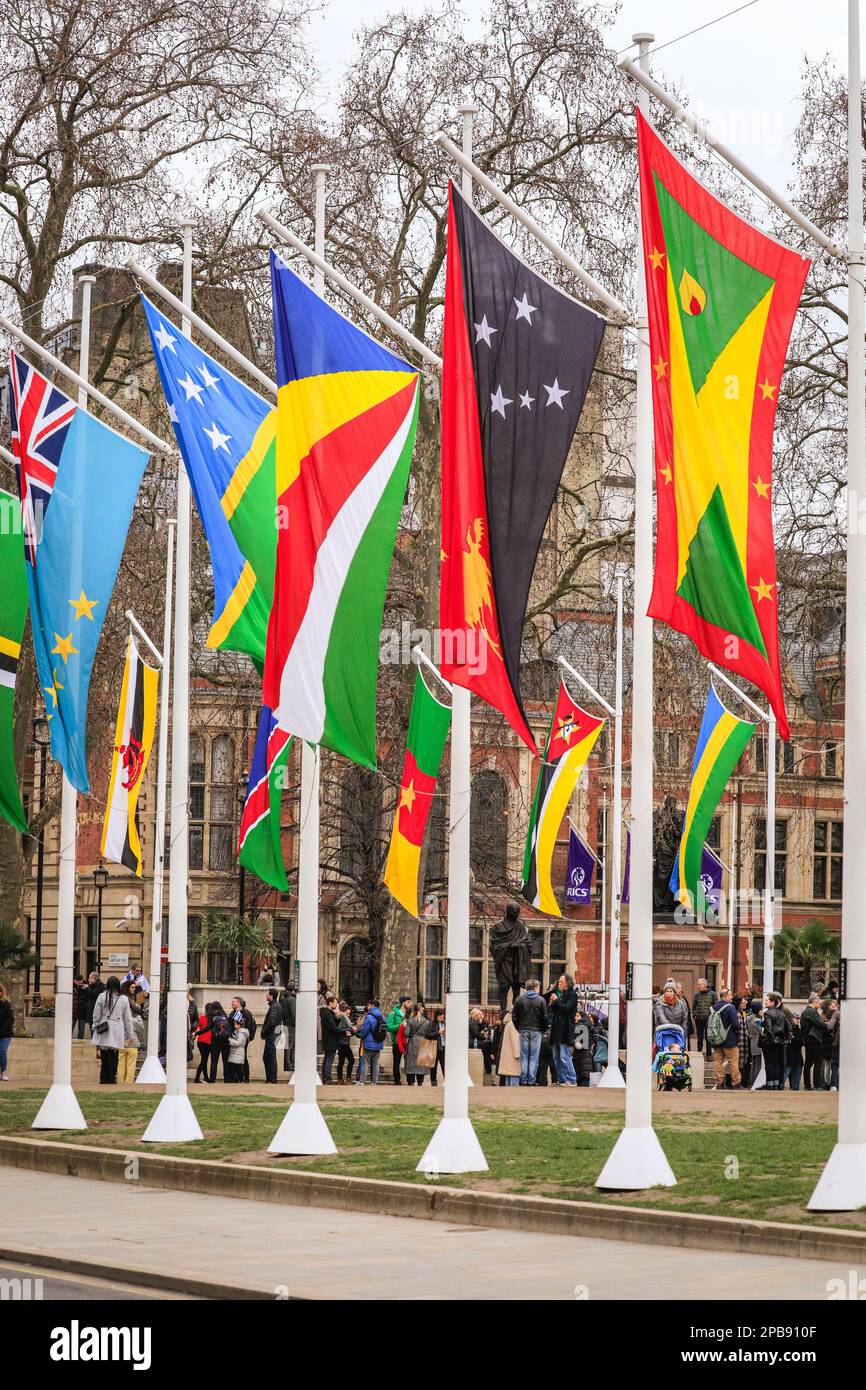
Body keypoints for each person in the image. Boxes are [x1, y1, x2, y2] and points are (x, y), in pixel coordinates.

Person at [90, 976, 136, 1085]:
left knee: (104, 1055)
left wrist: (95, 1025)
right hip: (117, 1028)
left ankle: (104, 1078)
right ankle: (111, 1078)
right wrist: (130, 1034)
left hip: (104, 1026)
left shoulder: (102, 996)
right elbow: (128, 1019)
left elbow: (96, 1014)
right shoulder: (123, 999)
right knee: (114, 1055)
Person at [490, 903, 532, 1015]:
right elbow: (494, 947)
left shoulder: (521, 927)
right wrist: (509, 945)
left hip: (517, 962)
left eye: (518, 912)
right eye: (514, 912)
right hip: (504, 961)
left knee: (516, 989)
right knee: (503, 987)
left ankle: (516, 1013)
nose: (517, 915)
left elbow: (527, 944)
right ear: (508, 912)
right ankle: (502, 1012)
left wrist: (520, 946)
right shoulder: (499, 926)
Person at [512, 978, 548, 1086]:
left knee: (524, 1056)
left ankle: (523, 1080)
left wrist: (519, 1028)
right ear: (536, 987)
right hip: (536, 1031)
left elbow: (514, 1016)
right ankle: (531, 1080)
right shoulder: (541, 1000)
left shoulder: (519, 999)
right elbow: (545, 1017)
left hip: (523, 1030)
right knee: (534, 1057)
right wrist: (543, 1029)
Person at [708, 988, 742, 1089]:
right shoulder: (730, 1008)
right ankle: (736, 1082)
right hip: (729, 1040)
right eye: (730, 995)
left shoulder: (713, 1008)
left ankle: (719, 1082)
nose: (731, 997)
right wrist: (738, 1031)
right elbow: (736, 1024)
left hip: (716, 1039)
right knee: (733, 1061)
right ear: (725, 996)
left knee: (718, 1061)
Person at [548, 973, 579, 1086]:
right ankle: (562, 1079)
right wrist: (552, 1003)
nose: (559, 983)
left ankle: (571, 1079)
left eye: (561, 981)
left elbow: (566, 1008)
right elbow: (556, 1011)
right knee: (556, 1056)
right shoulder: (562, 994)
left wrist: (556, 1001)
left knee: (564, 1055)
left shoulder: (572, 995)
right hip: (557, 1028)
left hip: (565, 1029)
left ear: (567, 983)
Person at [760, 992, 791, 1090]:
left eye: (767, 1000)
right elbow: (788, 1026)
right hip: (780, 1041)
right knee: (777, 1063)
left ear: (773, 1002)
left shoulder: (767, 1013)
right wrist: (787, 1038)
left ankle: (770, 1084)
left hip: (769, 1042)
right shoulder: (782, 1013)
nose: (765, 1002)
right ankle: (776, 1084)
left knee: (769, 1063)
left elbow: (768, 1029)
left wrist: (772, 1038)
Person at [404, 1003, 439, 1086]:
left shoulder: (411, 1020)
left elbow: (406, 1033)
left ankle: (411, 1083)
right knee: (421, 1064)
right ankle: (420, 1083)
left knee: (411, 1064)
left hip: (413, 1043)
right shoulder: (427, 1022)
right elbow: (428, 1034)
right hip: (424, 1044)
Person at [800, 992, 829, 1090]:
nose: (819, 1004)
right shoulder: (811, 1012)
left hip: (808, 1040)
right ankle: (817, 1085)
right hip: (814, 1040)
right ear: (814, 1002)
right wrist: (827, 1024)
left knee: (808, 1063)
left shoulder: (805, 1012)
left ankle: (807, 1085)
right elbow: (820, 1024)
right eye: (818, 1002)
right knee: (818, 1063)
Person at [356, 998, 385, 1084]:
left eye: (368, 1005)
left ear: (372, 1005)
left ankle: (362, 1081)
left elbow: (364, 1032)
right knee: (375, 1064)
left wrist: (359, 1035)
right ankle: (374, 1082)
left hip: (368, 1044)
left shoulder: (369, 1017)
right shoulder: (382, 1017)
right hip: (379, 1044)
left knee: (365, 1063)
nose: (367, 1007)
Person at [386, 995, 412, 1084]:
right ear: (403, 1003)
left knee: (408, 1062)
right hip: (396, 1041)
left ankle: (410, 1081)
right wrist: (400, 1026)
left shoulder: (410, 1014)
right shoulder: (393, 1013)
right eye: (408, 1002)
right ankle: (397, 1080)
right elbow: (389, 1027)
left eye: (410, 1002)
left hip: (408, 1042)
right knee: (396, 1062)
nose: (410, 1004)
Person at [230, 996, 256, 1082]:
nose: (232, 1003)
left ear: (238, 1003)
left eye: (233, 1001)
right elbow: (230, 1025)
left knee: (243, 1058)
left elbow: (251, 1026)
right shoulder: (232, 1013)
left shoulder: (246, 1013)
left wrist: (248, 1037)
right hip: (234, 1038)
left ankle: (245, 1077)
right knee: (235, 1058)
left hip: (242, 1039)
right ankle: (237, 1077)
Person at [261, 987, 282, 1084]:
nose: (266, 996)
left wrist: (264, 1031)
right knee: (267, 1057)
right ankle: (270, 1078)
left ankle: (272, 1079)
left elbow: (272, 1022)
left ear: (271, 996)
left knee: (270, 1057)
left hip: (271, 1035)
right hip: (272, 1035)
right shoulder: (275, 1006)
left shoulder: (274, 1007)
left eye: (267, 994)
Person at [118, 1002, 144, 1083]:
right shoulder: (135, 1019)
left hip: (121, 1043)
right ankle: (129, 1083)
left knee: (120, 1065)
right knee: (131, 1066)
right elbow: (141, 1029)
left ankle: (120, 1082)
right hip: (133, 1044)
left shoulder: (119, 1018)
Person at [495, 1008, 521, 1086]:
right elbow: (515, 1040)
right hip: (513, 1057)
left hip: (508, 1056)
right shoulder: (513, 1024)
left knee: (508, 1079)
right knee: (514, 1077)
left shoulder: (508, 1023)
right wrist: (518, 1053)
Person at [320, 995, 343, 1084]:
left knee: (327, 1059)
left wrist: (337, 1017)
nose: (337, 1005)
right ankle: (327, 1078)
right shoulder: (327, 1013)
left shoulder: (328, 1013)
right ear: (330, 1003)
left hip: (328, 1039)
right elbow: (333, 1027)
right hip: (330, 1039)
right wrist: (343, 1032)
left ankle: (325, 1078)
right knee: (329, 1059)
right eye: (336, 1003)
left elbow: (333, 1024)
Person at [691, 978, 716, 1057]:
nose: (698, 986)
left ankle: (709, 1055)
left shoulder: (712, 994)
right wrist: (694, 1014)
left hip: (709, 1019)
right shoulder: (696, 994)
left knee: (708, 1038)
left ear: (704, 985)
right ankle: (699, 1053)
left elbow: (716, 1006)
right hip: (698, 1019)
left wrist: (712, 1016)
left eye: (699, 984)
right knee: (700, 1038)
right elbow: (694, 1005)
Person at [208, 1000, 232, 1082]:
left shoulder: (212, 1016)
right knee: (225, 1061)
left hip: (216, 1040)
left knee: (214, 1061)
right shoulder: (224, 1015)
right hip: (225, 1041)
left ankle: (212, 1079)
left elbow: (208, 1027)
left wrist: (198, 1033)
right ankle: (227, 1079)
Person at [336, 1002, 356, 1084]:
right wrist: (348, 1030)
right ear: (343, 1012)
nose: (348, 1015)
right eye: (347, 1013)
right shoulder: (342, 1018)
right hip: (343, 1043)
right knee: (351, 1060)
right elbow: (339, 1029)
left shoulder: (342, 1018)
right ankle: (348, 1079)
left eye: (349, 1014)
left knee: (341, 1061)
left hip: (342, 1042)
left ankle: (340, 1079)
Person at [746, 1000, 764, 1088]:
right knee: (758, 1064)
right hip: (758, 1043)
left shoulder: (749, 1019)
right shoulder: (757, 1021)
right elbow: (762, 1031)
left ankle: (751, 1081)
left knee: (754, 1063)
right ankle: (755, 1081)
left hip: (753, 1043)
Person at [227, 1013, 249, 1082]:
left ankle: (240, 1079)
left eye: (235, 1024)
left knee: (238, 1067)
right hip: (236, 1052)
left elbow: (239, 1043)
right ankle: (237, 1079)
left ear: (239, 1025)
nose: (234, 1025)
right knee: (236, 1067)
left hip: (237, 1052)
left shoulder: (241, 1033)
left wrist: (230, 1040)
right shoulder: (238, 1032)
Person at [193, 1004, 212, 1083]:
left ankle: (206, 1077)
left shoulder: (202, 1018)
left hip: (200, 1041)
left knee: (204, 1060)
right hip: (207, 1042)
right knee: (204, 1060)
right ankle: (197, 1078)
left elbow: (196, 1027)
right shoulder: (211, 1019)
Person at [785, 1012, 804, 1091]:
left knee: (796, 1085)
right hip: (789, 1057)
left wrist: (793, 1040)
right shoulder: (788, 1030)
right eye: (795, 1018)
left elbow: (802, 1042)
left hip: (797, 1057)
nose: (797, 1020)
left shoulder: (799, 1030)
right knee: (785, 1077)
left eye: (798, 1018)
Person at [280, 984, 296, 1074]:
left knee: (288, 1045)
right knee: (291, 1045)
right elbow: (294, 1014)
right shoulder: (292, 1000)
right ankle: (290, 1064)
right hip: (292, 1025)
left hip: (286, 1024)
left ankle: (289, 1063)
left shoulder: (283, 999)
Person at [0, 982, 13, 1081]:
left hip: (5, 1034)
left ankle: (3, 1072)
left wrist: (2, 1030)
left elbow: (10, 1019)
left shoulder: (6, 1004)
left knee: (2, 1052)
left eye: (0, 991)